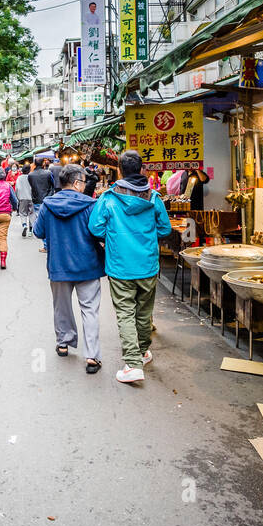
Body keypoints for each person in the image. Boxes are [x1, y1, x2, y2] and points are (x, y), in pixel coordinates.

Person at [89, 150, 173, 384]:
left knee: (125, 313)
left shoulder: (108, 198)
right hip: (147, 264)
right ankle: (143, 352)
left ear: (119, 170)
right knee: (144, 311)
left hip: (119, 265)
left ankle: (133, 363)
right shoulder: (154, 197)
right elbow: (165, 230)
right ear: (141, 169)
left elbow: (95, 228)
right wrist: (145, 236)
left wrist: (115, 237)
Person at [34, 164, 104, 373]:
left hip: (59, 265)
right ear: (76, 183)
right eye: (83, 182)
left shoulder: (48, 205)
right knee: (90, 310)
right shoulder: (91, 205)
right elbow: (99, 232)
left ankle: (64, 343)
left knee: (61, 307)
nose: (84, 186)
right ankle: (92, 356)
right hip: (88, 265)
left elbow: (38, 232)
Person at [16, 162, 35, 236]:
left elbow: (17, 188)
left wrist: (18, 197)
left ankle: (24, 225)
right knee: (32, 213)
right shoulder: (31, 177)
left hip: (22, 198)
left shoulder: (19, 178)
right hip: (31, 198)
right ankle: (30, 231)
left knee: (22, 213)